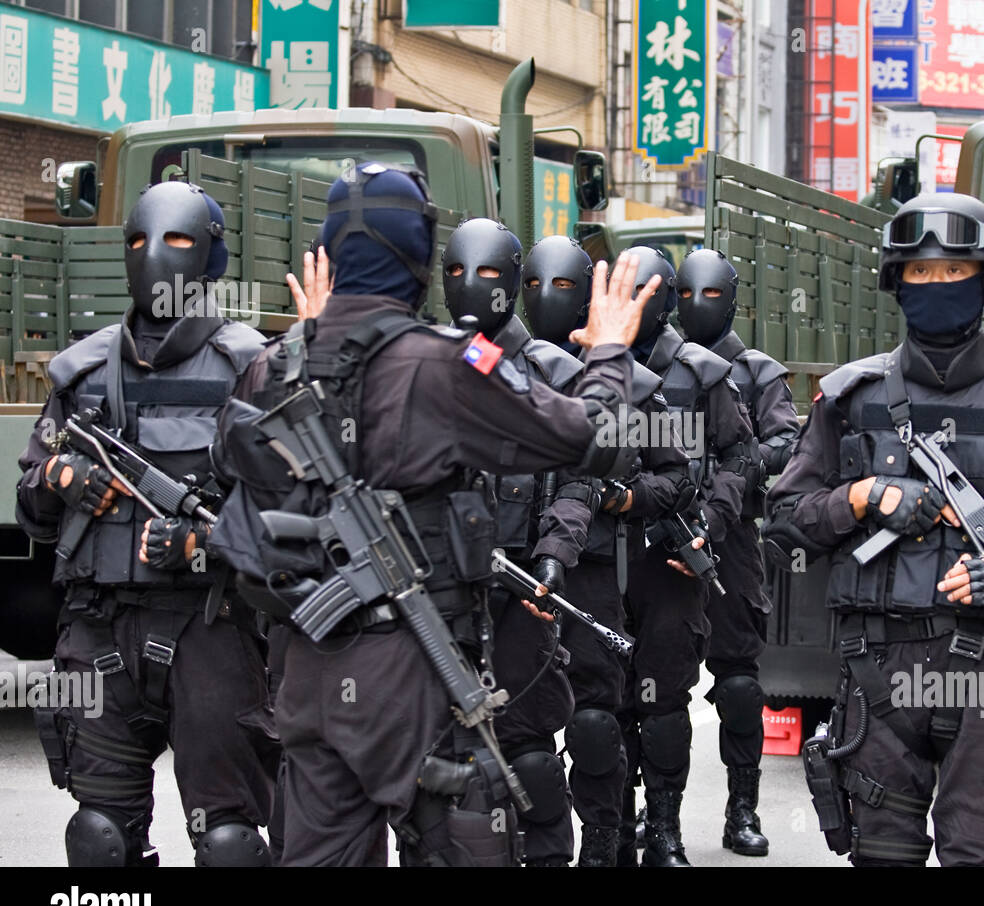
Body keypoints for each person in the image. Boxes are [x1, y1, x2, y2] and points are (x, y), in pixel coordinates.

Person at [207, 162, 656, 866]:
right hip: (411, 674)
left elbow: (228, 472)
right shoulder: (443, 362)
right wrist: (607, 350)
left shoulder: (278, 362)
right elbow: (593, 438)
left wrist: (312, 345)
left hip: (305, 673)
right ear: (417, 256)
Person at [765, 193, 984, 866]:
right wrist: (864, 496)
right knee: (882, 855)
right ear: (897, 284)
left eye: (953, 272)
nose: (935, 286)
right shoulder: (849, 396)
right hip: (877, 665)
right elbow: (784, 521)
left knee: (981, 855)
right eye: (919, 274)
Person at [17, 181, 278, 866]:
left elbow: (291, 516)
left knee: (229, 843)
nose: (154, 255)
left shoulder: (250, 367)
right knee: (98, 837)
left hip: (210, 630)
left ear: (211, 256)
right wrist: (61, 477)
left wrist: (205, 542)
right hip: (99, 624)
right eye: (137, 240)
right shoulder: (82, 372)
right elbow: (32, 508)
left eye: (177, 240)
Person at [522, 235, 693, 866]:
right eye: (534, 284)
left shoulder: (635, 385)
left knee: (598, 721)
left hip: (593, 569)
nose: (545, 298)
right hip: (508, 575)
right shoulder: (482, 367)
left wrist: (624, 499)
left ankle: (607, 843)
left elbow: (679, 477)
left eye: (563, 286)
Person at [442, 218, 583, 867]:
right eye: (458, 273)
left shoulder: (554, 370)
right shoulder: (431, 362)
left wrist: (555, 553)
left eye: (491, 274)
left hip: (526, 599)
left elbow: (582, 479)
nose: (472, 287)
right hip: (440, 602)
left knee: (531, 766)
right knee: (443, 775)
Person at [616, 246, 755, 866]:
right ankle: (613, 829)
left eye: (651, 294)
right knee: (606, 708)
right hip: (600, 557)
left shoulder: (702, 374)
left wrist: (710, 524)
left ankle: (666, 830)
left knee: (665, 702)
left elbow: (741, 457)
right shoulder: (589, 365)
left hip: (671, 564)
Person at [675, 248, 799, 856]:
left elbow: (786, 442)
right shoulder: (662, 368)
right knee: (652, 684)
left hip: (733, 538)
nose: (697, 307)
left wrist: (739, 458)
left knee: (741, 683)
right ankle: (653, 813)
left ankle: (741, 808)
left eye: (710, 295)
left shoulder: (756, 371)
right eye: (686, 295)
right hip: (666, 534)